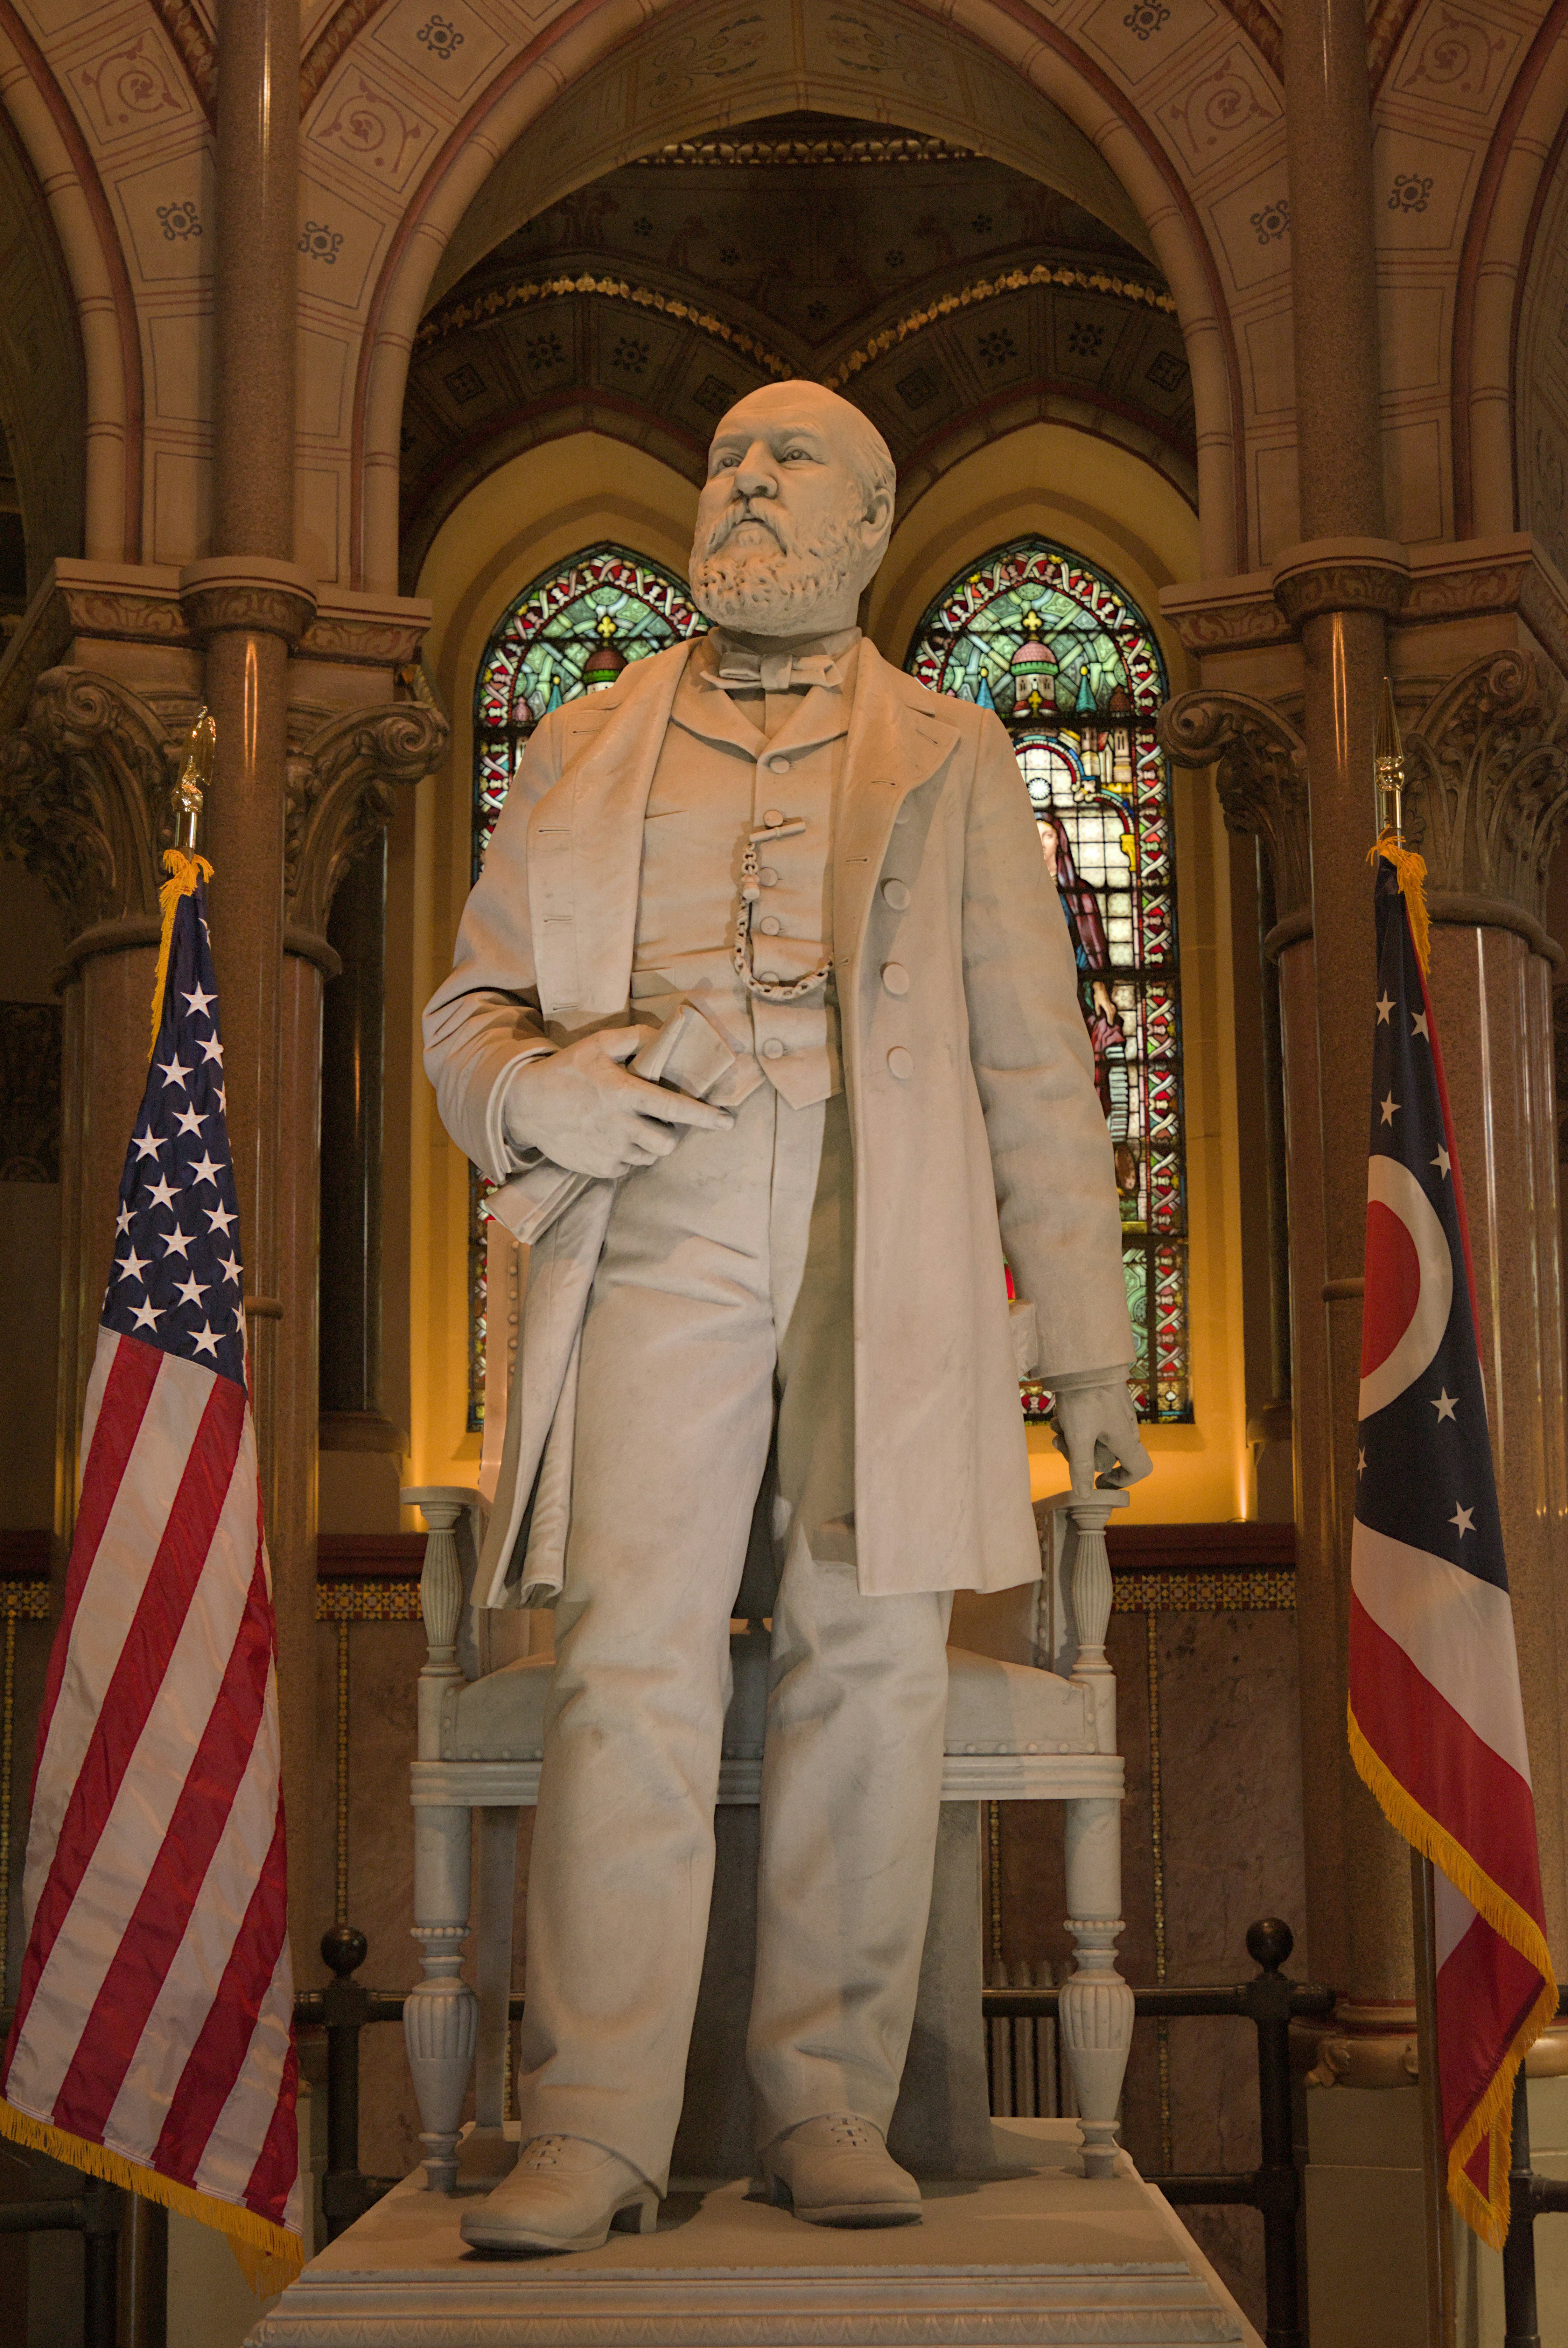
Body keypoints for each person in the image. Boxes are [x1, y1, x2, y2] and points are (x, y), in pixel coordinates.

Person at [422, 381, 1150, 2256]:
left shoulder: (957, 750)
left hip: (883, 1234)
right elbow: (464, 1019)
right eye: (724, 455)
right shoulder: (575, 746)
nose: (741, 478)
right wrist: (542, 1098)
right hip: (655, 1227)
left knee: (873, 1652)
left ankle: (824, 2089)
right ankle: (592, 2121)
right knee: (631, 1657)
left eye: (787, 458)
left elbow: (1036, 1069)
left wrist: (1087, 1351)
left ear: (872, 515)